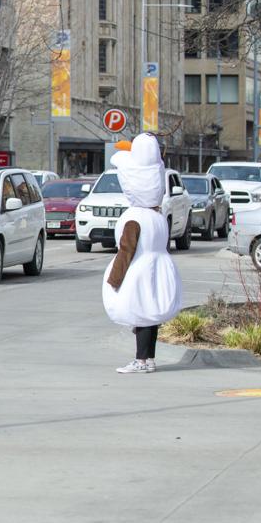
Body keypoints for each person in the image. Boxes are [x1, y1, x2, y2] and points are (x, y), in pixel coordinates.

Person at [100, 133, 183, 373]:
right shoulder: (158, 216)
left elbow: (126, 250)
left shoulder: (133, 218)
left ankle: (140, 360)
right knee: (151, 316)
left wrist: (114, 279)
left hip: (138, 272)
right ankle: (148, 359)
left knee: (140, 315)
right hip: (159, 269)